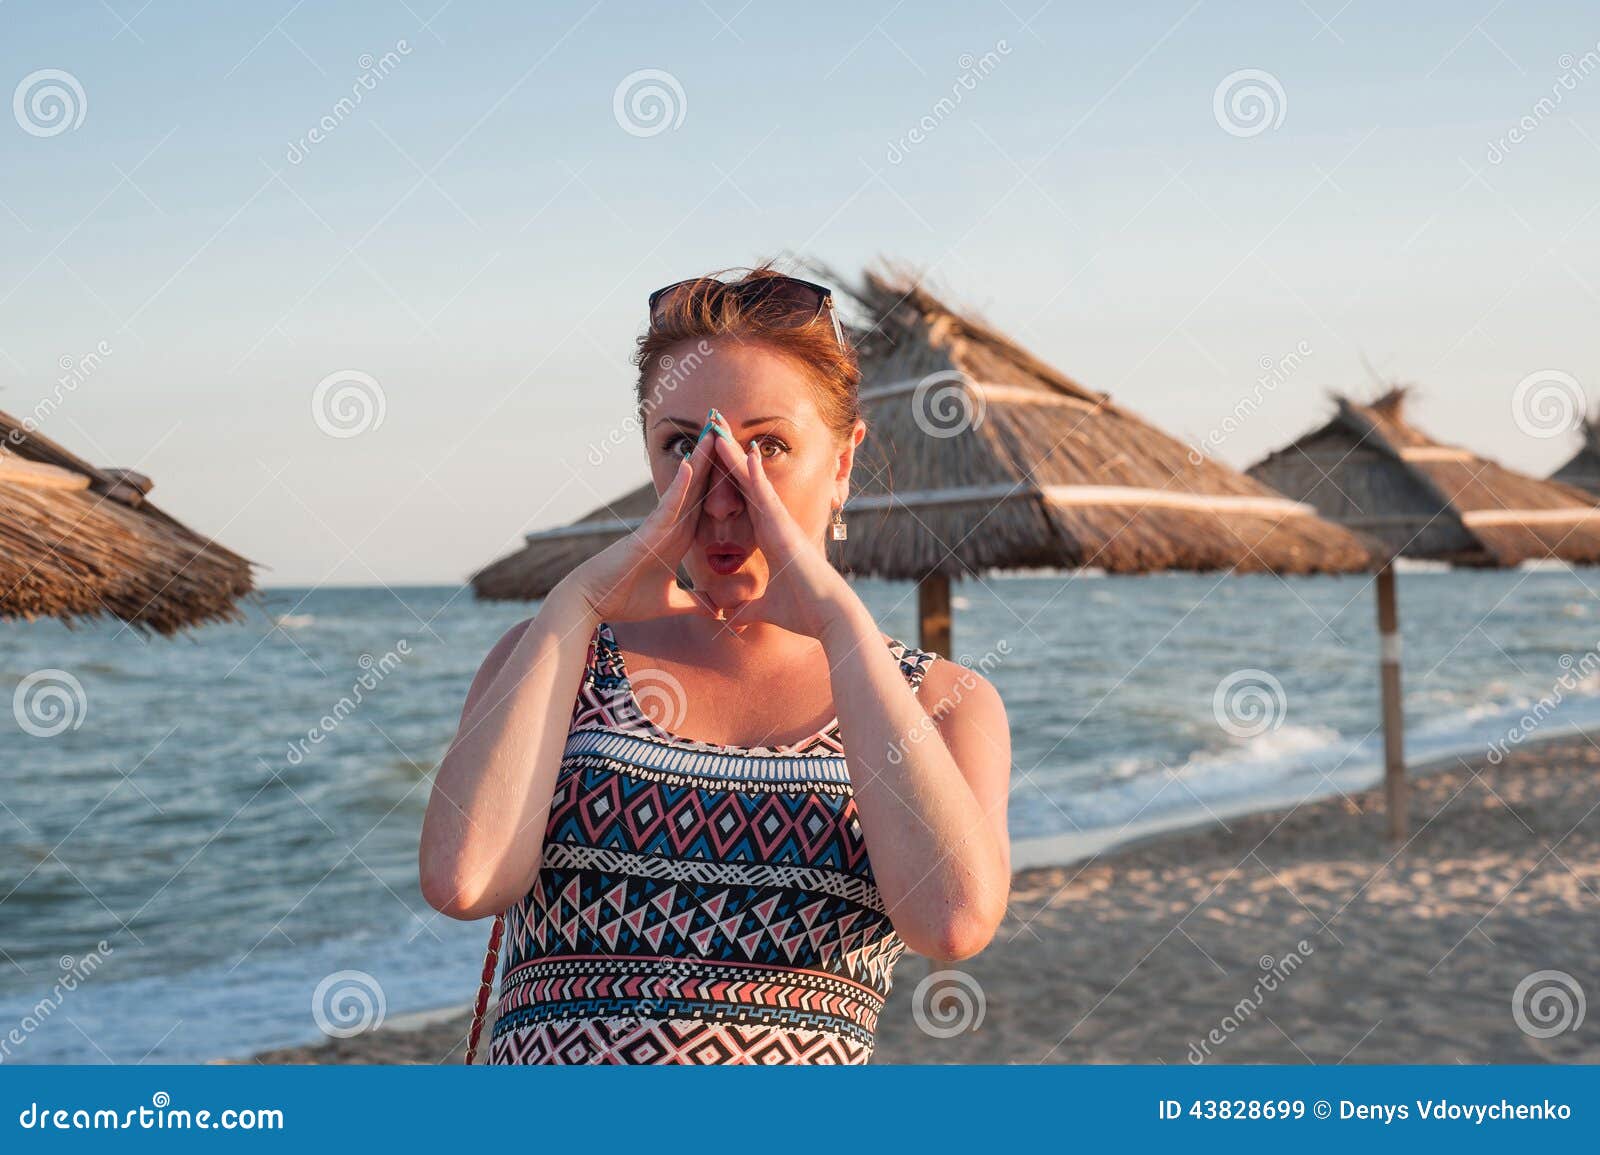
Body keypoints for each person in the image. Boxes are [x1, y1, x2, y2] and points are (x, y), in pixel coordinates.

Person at [418, 264, 1012, 1064]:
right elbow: (465, 879)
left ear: (842, 464)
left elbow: (951, 918)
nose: (725, 497)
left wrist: (841, 627)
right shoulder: (556, 655)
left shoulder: (943, 701)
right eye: (684, 447)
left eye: (767, 446)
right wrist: (574, 603)